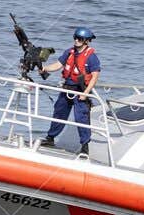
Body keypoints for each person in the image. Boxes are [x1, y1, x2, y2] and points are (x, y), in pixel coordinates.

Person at [39, 26, 101, 156]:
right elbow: (58, 65)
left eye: (79, 39)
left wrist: (85, 93)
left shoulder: (92, 57)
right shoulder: (69, 52)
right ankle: (50, 138)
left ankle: (84, 146)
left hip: (80, 91)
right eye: (75, 38)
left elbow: (94, 77)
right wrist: (45, 68)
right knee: (59, 112)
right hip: (67, 88)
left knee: (81, 117)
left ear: (86, 41)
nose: (76, 40)